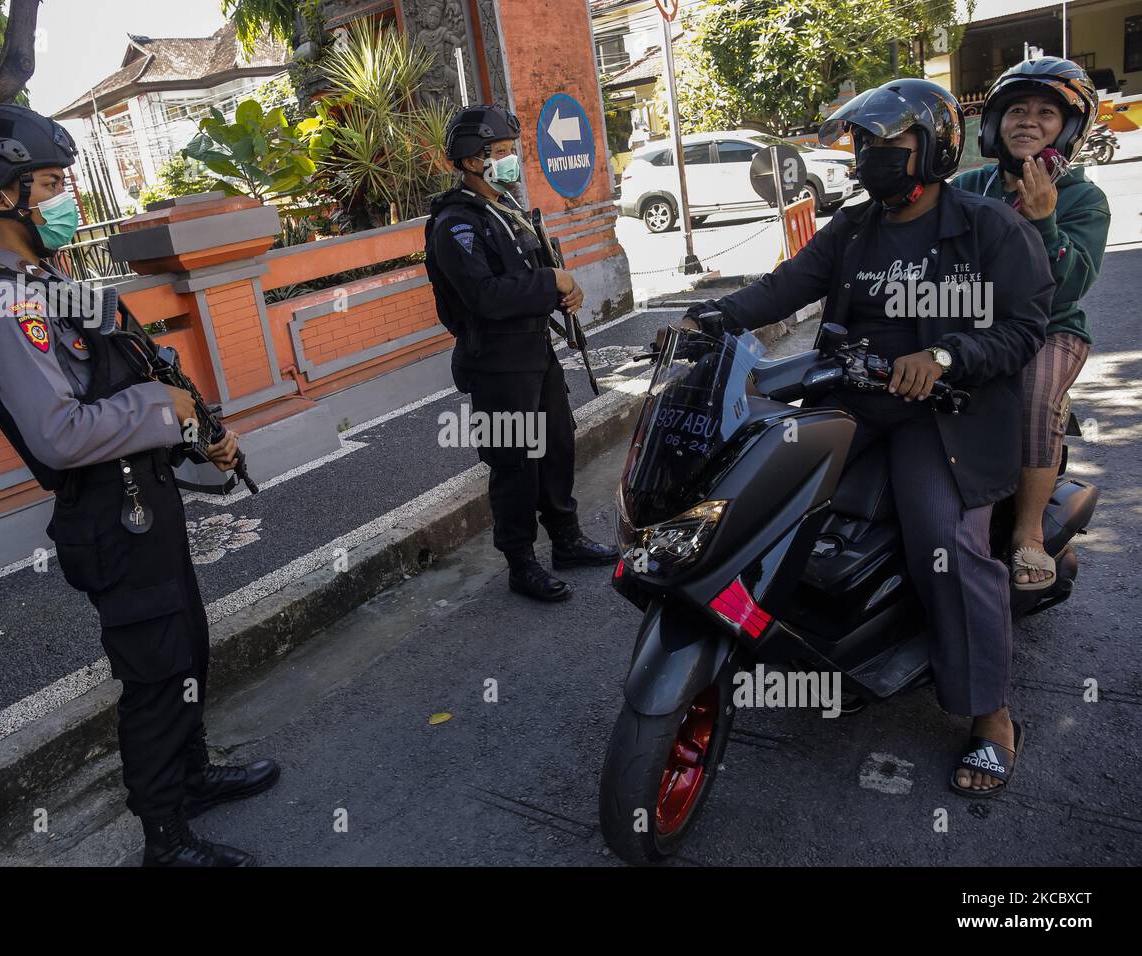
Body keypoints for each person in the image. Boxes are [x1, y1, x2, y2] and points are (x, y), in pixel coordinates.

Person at [676, 79, 1053, 796]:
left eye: (892, 144)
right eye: (867, 145)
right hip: (850, 400)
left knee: (944, 541)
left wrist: (943, 355)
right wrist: (713, 320)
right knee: (754, 495)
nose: (875, 157)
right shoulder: (853, 229)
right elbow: (783, 287)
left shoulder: (987, 228)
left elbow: (1024, 328)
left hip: (941, 416)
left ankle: (992, 717)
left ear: (935, 148)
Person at [0, 104, 279, 866]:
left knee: (184, 646)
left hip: (142, 500)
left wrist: (201, 429)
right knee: (155, 674)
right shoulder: (4, 305)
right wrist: (167, 410)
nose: (68, 199)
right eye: (52, 184)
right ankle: (165, 837)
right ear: (1, 197)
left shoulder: (48, 281)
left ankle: (191, 776)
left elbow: (133, 369)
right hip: (107, 515)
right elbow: (59, 433)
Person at [425, 104, 618, 601]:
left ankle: (567, 540)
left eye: (511, 150)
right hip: (495, 365)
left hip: (536, 354)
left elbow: (539, 273)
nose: (511, 160)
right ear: (472, 160)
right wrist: (549, 280)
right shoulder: (456, 225)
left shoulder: (507, 210)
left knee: (556, 448)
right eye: (501, 152)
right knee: (515, 463)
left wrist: (564, 291)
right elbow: (485, 296)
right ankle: (521, 562)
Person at [953, 57, 1110, 592]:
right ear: (996, 122)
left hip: (1051, 331)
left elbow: (1067, 288)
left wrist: (1045, 221)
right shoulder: (970, 185)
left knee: (1036, 395)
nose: (1028, 120)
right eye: (1017, 109)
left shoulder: (1084, 199)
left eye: (1046, 113)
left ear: (1067, 129)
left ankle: (1027, 535)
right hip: (971, 322)